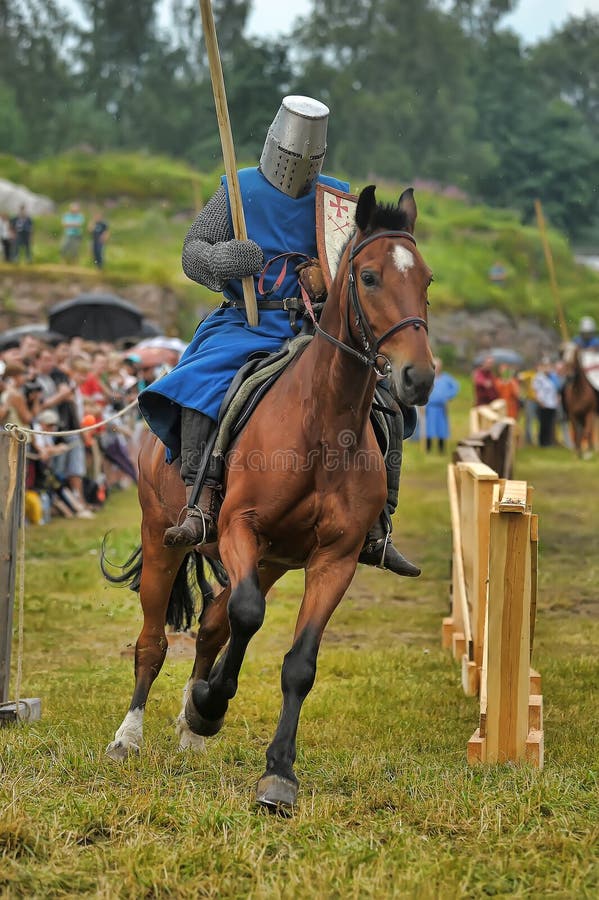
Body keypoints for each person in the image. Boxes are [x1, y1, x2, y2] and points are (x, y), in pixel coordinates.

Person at [139, 95, 419, 577]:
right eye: (292, 158)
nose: (297, 168)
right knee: (200, 385)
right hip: (246, 324)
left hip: (318, 333)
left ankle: (378, 524)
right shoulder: (238, 188)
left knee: (388, 403)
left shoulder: (336, 202)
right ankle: (200, 502)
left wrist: (324, 277)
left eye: (308, 161)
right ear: (274, 146)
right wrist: (228, 260)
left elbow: (357, 270)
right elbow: (193, 252)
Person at [425, 357, 459, 453]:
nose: (437, 368)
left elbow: (456, 386)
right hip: (430, 407)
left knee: (441, 427)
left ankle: (441, 448)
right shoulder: (428, 377)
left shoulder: (446, 378)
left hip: (441, 407)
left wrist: (449, 396)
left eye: (438, 366)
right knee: (429, 427)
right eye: (435, 366)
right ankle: (428, 448)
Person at [532, 358, 558, 447]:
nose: (548, 369)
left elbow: (555, 390)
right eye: (546, 367)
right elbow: (535, 391)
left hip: (552, 404)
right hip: (543, 404)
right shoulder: (539, 377)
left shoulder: (552, 377)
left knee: (550, 424)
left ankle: (549, 441)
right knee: (543, 424)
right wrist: (539, 401)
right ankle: (542, 442)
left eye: (549, 367)